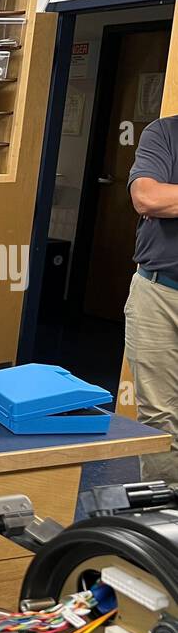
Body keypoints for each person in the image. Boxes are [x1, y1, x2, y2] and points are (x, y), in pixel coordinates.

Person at [126, 114, 178, 484]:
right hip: (158, 293)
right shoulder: (165, 132)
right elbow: (147, 197)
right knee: (160, 417)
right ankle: (164, 519)